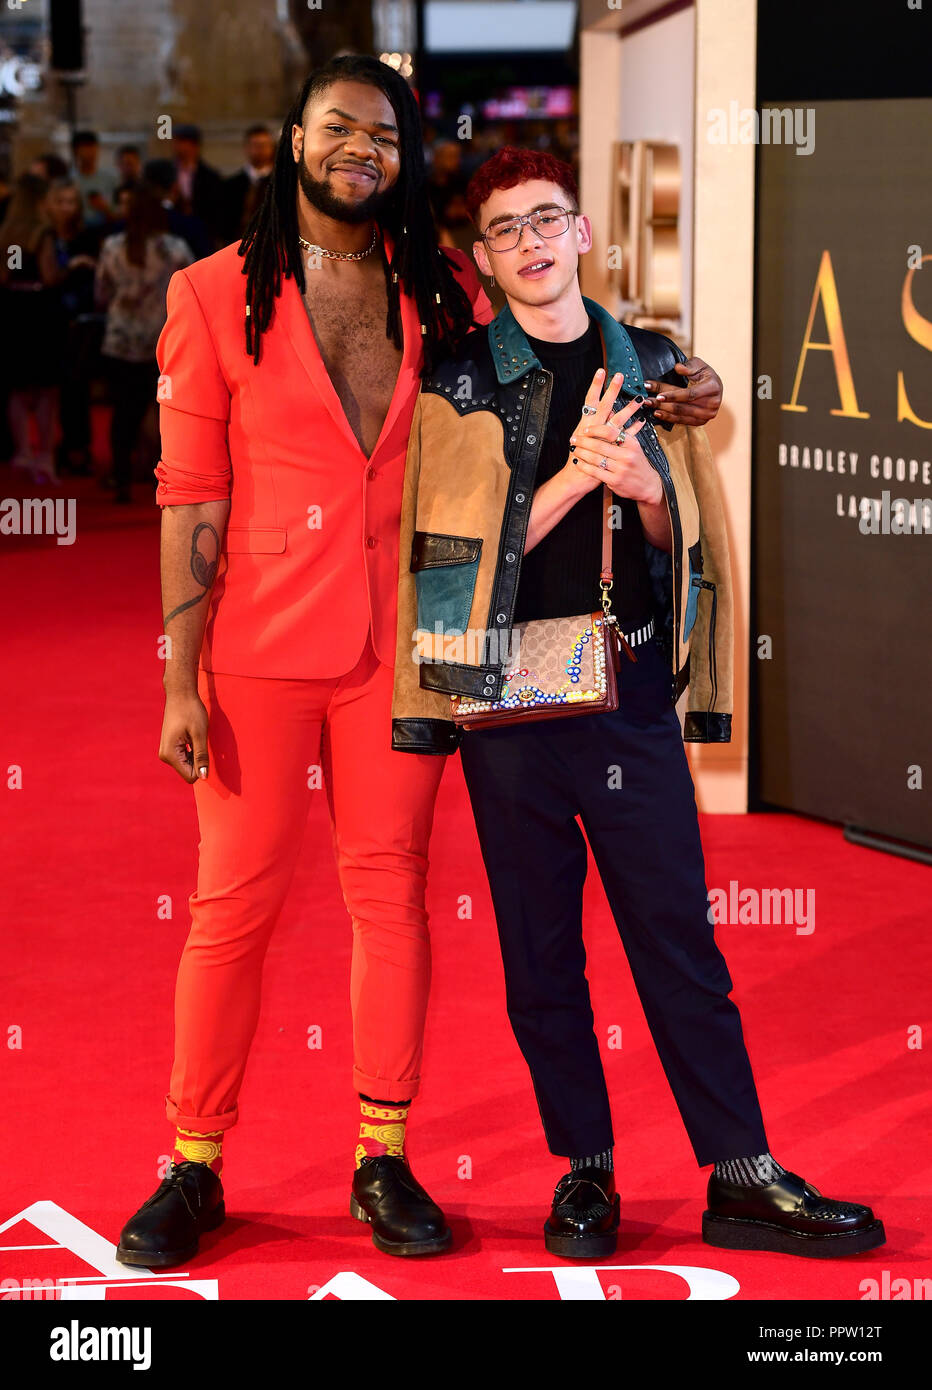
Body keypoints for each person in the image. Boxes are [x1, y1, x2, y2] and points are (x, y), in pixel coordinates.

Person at [390, 147, 886, 1261]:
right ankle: (585, 1171)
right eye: (503, 230)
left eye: (544, 220)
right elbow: (440, 571)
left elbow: (689, 541)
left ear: (580, 234)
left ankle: (740, 1170)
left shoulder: (651, 362)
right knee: (537, 955)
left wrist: (647, 490)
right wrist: (571, 477)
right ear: (481, 257)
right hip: (509, 712)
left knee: (676, 938)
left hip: (624, 708)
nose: (527, 243)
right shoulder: (458, 377)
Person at [113, 55, 492, 1271]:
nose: (359, 151)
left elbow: (533, 397)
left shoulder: (442, 292)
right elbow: (189, 498)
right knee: (233, 907)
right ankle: (194, 1160)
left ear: (402, 156)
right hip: (258, 649)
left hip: (405, 646)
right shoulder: (212, 294)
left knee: (392, 894)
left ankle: (382, 1152)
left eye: (381, 136)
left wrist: (656, 378)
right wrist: (180, 674)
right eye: (337, 128)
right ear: (291, 141)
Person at [94, 183, 193, 503]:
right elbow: (193, 290)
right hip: (163, 340)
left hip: (120, 341)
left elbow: (101, 294)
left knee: (123, 412)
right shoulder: (174, 248)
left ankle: (121, 476)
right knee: (164, 411)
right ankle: (161, 475)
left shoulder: (111, 247)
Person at [0, 173, 64, 484]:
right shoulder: (43, 232)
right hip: (40, 311)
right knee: (46, 390)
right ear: (40, 200)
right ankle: (45, 457)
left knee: (17, 387)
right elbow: (50, 275)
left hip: (12, 310)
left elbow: (4, 276)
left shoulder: (6, 232)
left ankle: (23, 450)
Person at [46, 178, 101, 477]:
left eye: (72, 202)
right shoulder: (42, 237)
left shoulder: (88, 237)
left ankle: (78, 446)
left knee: (76, 385)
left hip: (80, 320)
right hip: (48, 318)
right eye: (61, 201)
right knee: (46, 389)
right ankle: (43, 449)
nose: (67, 208)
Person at [171, 123, 225, 250]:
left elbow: (216, 210)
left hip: (201, 237)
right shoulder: (168, 173)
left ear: (194, 146)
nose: (177, 147)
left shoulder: (210, 177)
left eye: (182, 142)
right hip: (174, 234)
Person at [221, 124, 277, 244]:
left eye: (264, 145)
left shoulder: (280, 183)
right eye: (256, 145)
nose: (260, 149)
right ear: (246, 148)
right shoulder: (231, 185)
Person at [70, 130, 118, 230]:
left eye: (93, 147)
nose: (90, 153)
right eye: (85, 148)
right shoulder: (70, 180)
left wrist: (104, 207)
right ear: (75, 151)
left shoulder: (111, 178)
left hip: (106, 229)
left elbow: (118, 212)